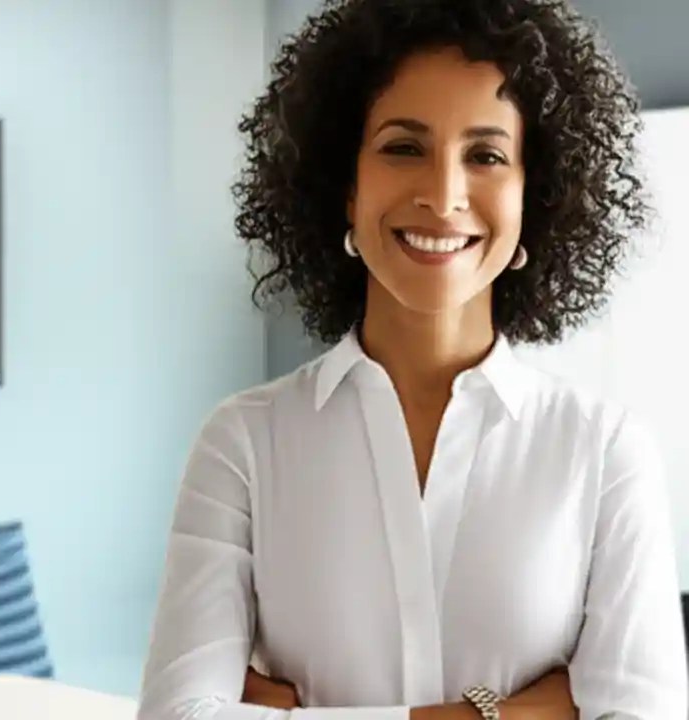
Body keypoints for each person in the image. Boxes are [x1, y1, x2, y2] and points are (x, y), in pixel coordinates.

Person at [138, 1, 688, 719]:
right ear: (346, 184)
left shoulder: (606, 451)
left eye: (486, 156)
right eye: (403, 147)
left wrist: (298, 715)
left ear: (536, 198)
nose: (443, 194)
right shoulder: (243, 445)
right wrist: (499, 713)